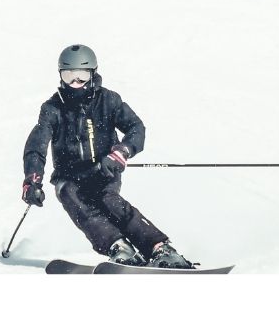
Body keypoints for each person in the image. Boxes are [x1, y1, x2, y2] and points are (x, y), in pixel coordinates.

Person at [21, 44, 194, 269]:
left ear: (93, 74)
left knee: (109, 201)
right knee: (70, 195)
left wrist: (121, 152)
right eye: (69, 76)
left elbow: (136, 128)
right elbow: (37, 144)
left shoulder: (108, 101)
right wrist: (32, 179)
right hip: (70, 175)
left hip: (104, 170)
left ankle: (160, 248)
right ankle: (118, 247)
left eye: (81, 76)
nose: (75, 84)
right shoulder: (53, 108)